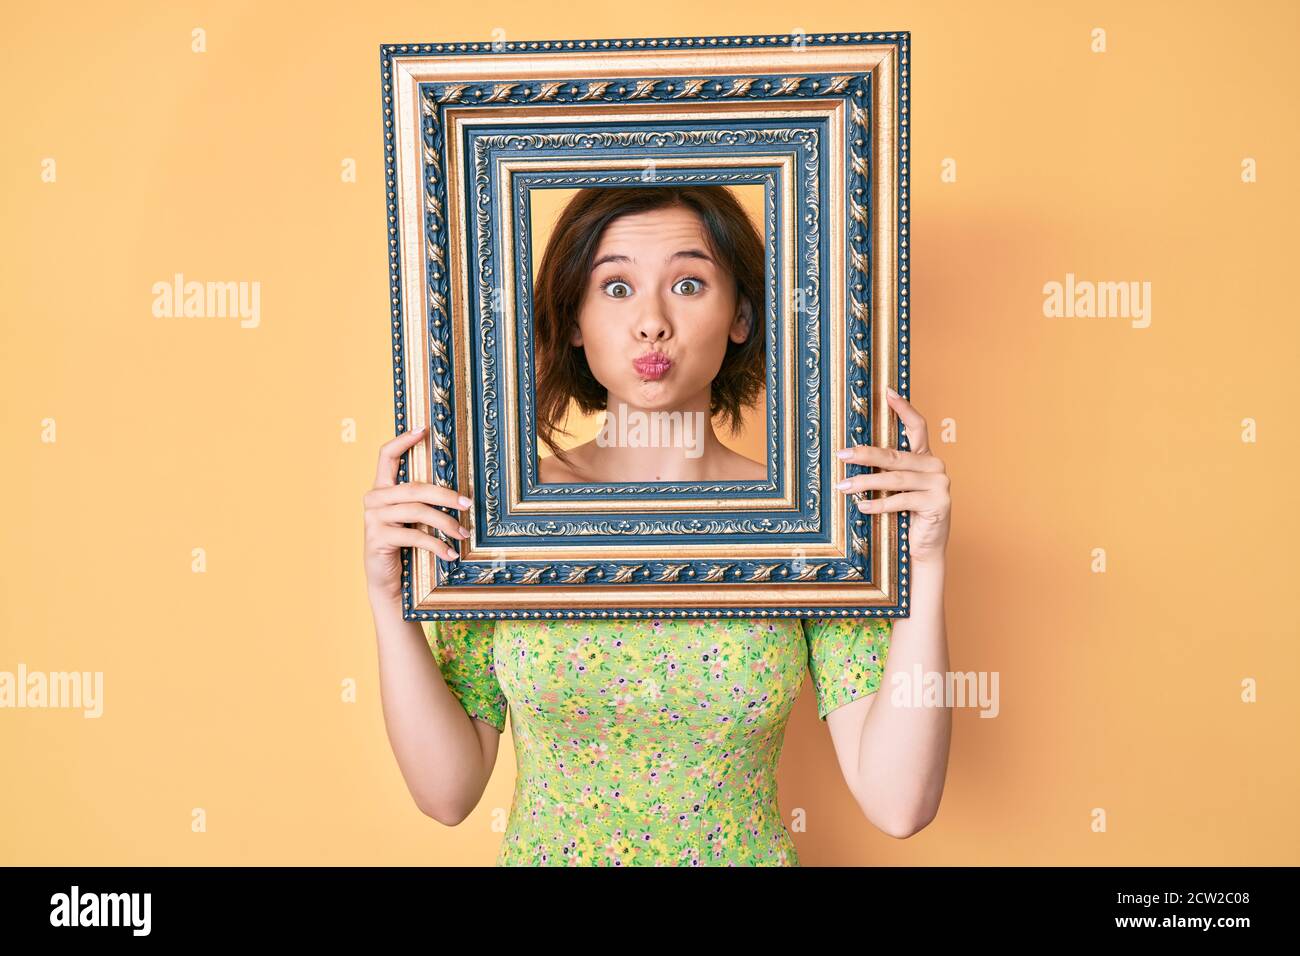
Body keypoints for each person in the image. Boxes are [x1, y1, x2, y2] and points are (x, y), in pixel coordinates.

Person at [363, 186, 953, 865]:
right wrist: (389, 598)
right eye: (616, 287)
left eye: (690, 283)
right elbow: (447, 791)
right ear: (574, 319)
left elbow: (900, 800)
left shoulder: (805, 519)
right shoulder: (502, 515)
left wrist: (928, 563)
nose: (651, 321)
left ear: (740, 315)